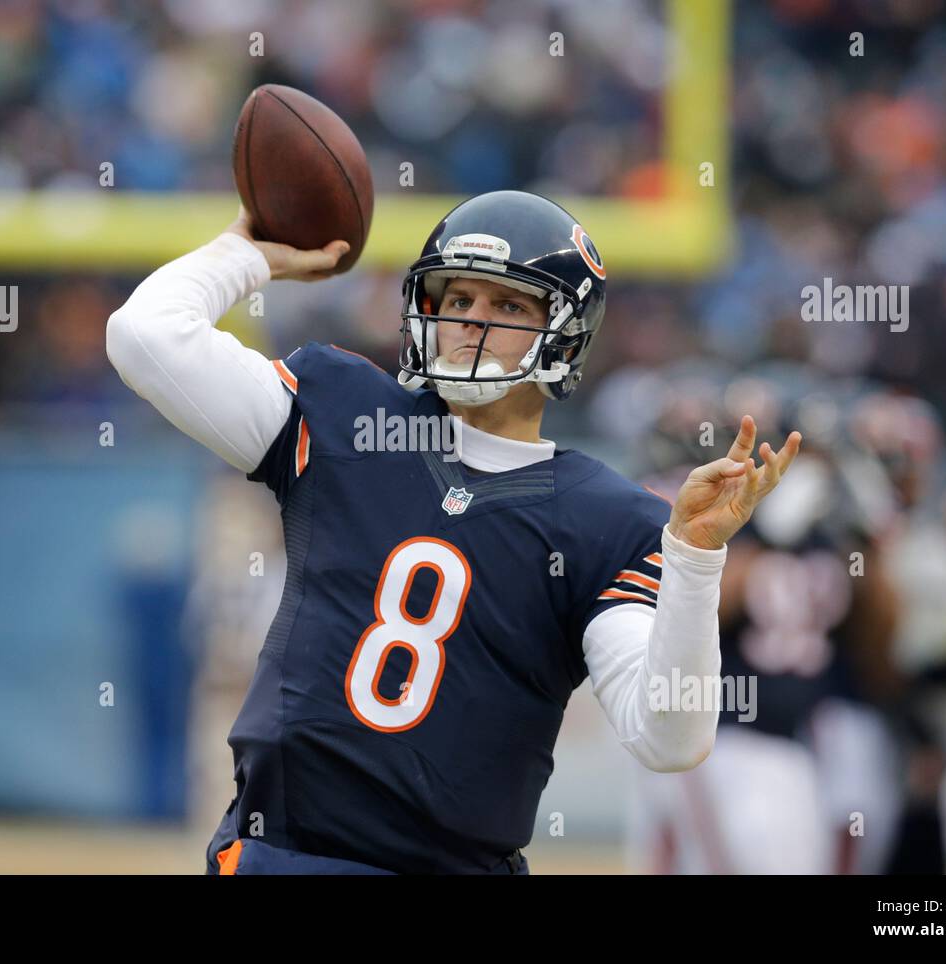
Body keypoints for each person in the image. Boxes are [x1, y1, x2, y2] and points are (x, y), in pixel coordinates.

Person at [106, 189, 801, 874]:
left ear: (564, 330)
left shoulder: (606, 520)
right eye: (457, 300)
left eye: (507, 304)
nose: (473, 322)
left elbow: (669, 738)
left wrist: (695, 558)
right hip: (285, 852)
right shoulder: (346, 412)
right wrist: (244, 254)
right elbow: (145, 336)